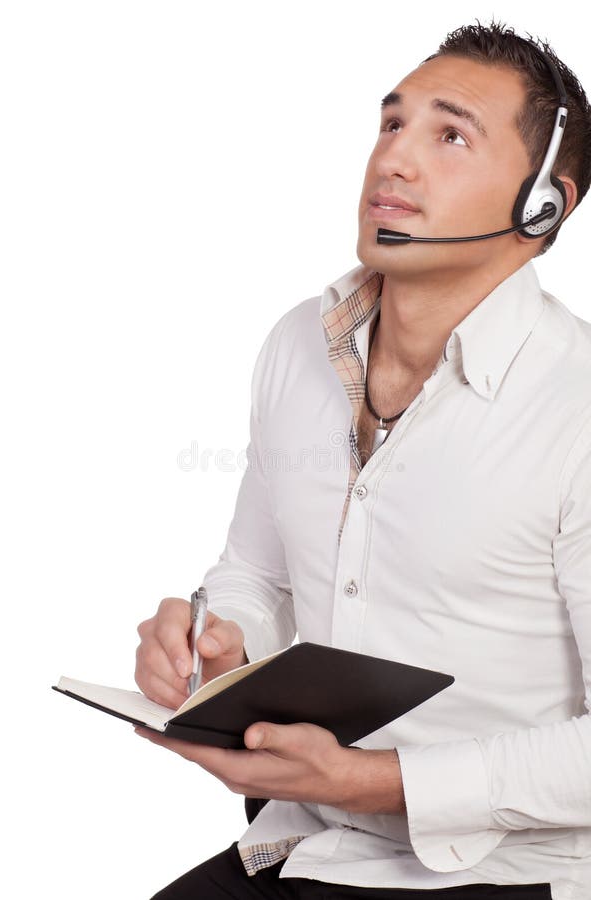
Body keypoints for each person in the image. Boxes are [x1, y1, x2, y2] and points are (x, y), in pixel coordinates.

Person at [134, 18, 591, 900]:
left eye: (449, 134)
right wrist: (218, 651)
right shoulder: (297, 345)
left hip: (495, 873)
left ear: (544, 207)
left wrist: (376, 781)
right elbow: (255, 578)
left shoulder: (575, 407)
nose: (394, 161)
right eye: (391, 124)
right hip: (303, 840)